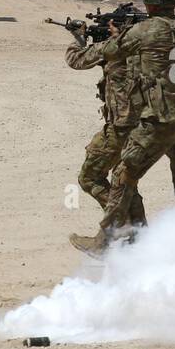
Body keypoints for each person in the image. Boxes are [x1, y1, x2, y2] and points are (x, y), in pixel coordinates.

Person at [70, 0, 175, 256]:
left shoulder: (143, 32)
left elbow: (93, 56)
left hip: (159, 119)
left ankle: (105, 241)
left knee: (123, 176)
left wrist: (87, 41)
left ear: (150, 4)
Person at [65, 17, 147, 229]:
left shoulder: (113, 48)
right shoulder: (152, 48)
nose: (108, 30)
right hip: (147, 126)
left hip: (121, 127)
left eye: (111, 26)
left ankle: (122, 226)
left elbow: (76, 60)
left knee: (89, 177)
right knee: (126, 182)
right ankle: (141, 234)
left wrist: (78, 38)